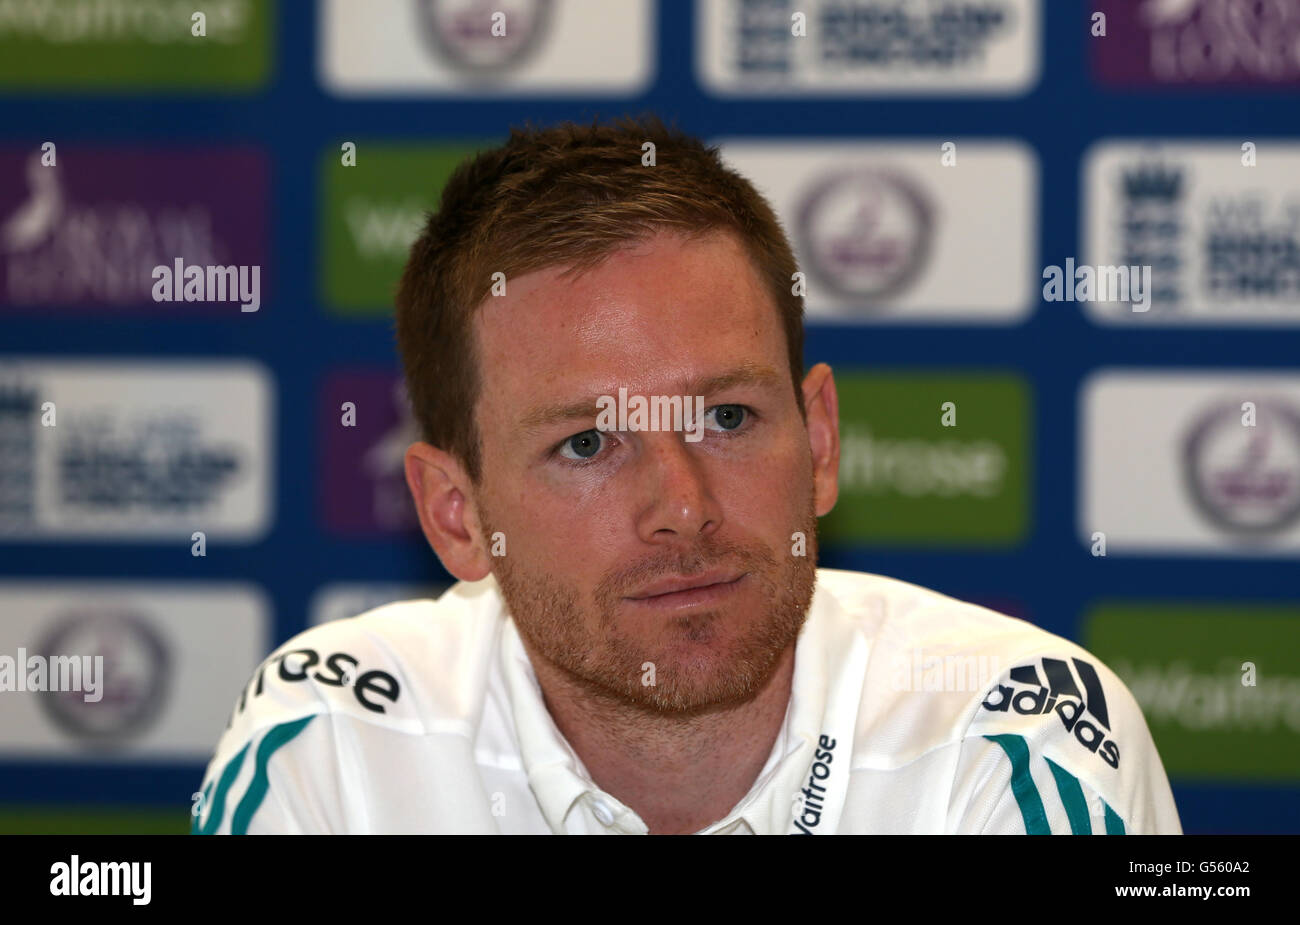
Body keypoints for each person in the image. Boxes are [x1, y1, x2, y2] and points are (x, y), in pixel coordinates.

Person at [193, 116, 1181, 834]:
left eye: (726, 417)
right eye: (586, 443)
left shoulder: (1008, 740)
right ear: (457, 516)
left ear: (821, 440)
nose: (682, 507)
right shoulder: (331, 743)